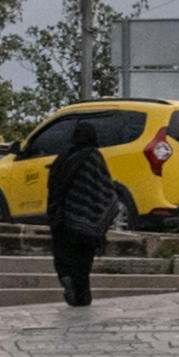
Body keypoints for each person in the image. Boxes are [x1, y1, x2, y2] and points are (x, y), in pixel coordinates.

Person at [43, 111, 120, 311]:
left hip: (62, 220)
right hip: (86, 224)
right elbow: (105, 191)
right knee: (82, 265)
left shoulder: (62, 157)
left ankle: (66, 278)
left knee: (63, 258)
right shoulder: (93, 157)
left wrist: (55, 215)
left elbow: (52, 187)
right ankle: (82, 298)